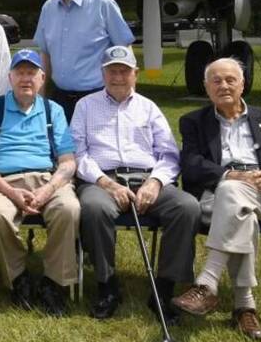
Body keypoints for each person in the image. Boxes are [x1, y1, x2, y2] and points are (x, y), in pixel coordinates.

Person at [171, 58, 261, 341]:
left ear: (243, 84)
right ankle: (245, 305)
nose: (224, 86)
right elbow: (191, 165)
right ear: (206, 87)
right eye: (216, 80)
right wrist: (229, 175)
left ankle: (207, 283)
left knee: (235, 198)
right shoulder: (193, 121)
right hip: (215, 196)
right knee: (241, 211)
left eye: (231, 80)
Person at [71, 45, 200, 321]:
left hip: (147, 178)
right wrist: (107, 184)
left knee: (187, 207)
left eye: (124, 71)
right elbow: (78, 154)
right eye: (112, 71)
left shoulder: (149, 108)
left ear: (136, 74)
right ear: (102, 74)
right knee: (94, 208)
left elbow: (169, 154)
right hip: (103, 180)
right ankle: (107, 285)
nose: (118, 77)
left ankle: (164, 289)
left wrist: (155, 183)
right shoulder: (85, 106)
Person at [0, 48, 79, 316]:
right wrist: (11, 191)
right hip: (2, 181)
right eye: (20, 72)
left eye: (32, 73)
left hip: (46, 178)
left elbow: (68, 162)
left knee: (69, 209)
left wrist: (48, 190)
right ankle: (18, 277)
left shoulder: (53, 110)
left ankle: (54, 283)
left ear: (42, 78)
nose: (26, 78)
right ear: (10, 77)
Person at [34, 0, 134, 121]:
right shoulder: (48, 7)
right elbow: (45, 56)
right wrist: (39, 98)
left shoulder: (103, 3)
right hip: (60, 99)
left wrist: (130, 100)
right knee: (59, 140)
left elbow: (125, 50)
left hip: (96, 98)